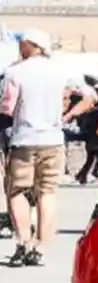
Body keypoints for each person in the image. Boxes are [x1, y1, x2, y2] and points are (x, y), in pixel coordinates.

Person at [0, 29, 72, 267]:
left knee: (17, 191)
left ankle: (23, 241)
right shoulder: (59, 71)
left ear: (32, 46)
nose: (20, 48)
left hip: (24, 139)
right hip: (53, 139)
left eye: (23, 44)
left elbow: (7, 109)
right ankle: (41, 246)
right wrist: (66, 114)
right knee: (47, 192)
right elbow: (87, 95)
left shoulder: (15, 72)